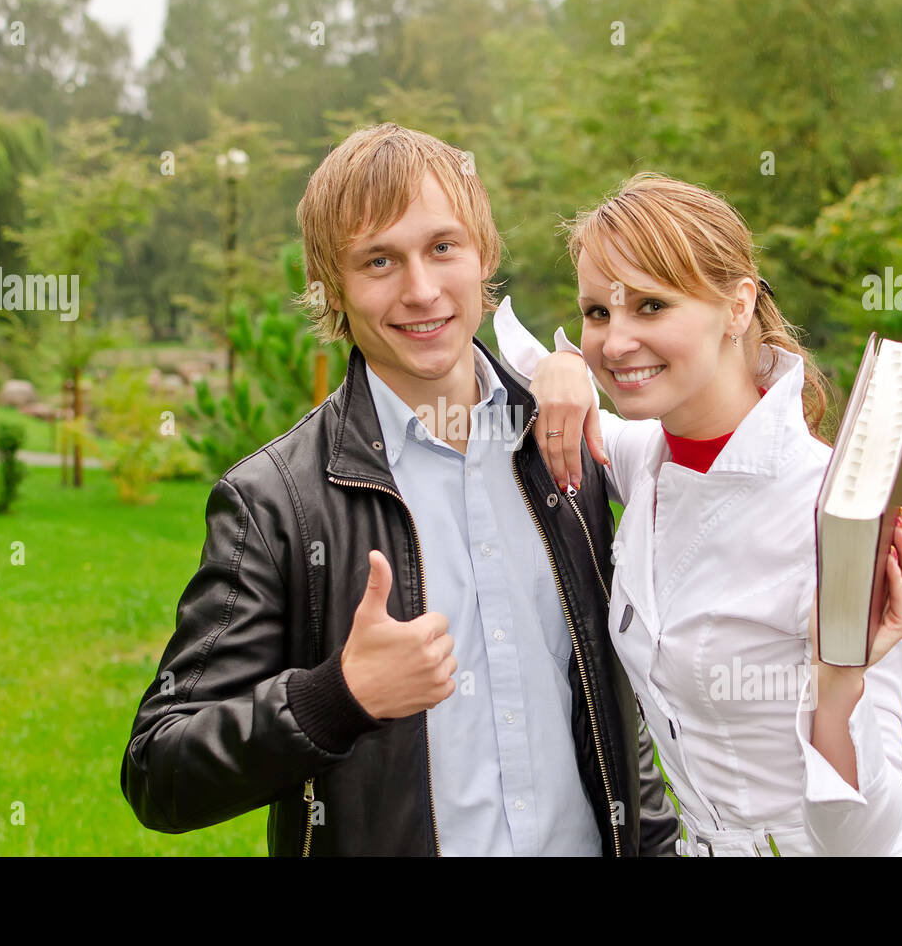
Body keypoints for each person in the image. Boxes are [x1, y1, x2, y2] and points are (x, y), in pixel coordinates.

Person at [120, 124, 679, 856]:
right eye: (378, 260)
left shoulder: (563, 451)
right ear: (334, 288)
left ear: (484, 257)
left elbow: (612, 713)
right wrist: (337, 698)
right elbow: (159, 770)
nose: (421, 290)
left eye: (443, 247)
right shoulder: (278, 502)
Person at [494, 172, 902, 856]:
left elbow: (865, 838)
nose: (615, 344)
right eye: (597, 313)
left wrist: (838, 676)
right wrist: (562, 368)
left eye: (651, 306)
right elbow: (525, 358)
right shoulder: (647, 454)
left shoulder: (828, 515)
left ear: (737, 308)